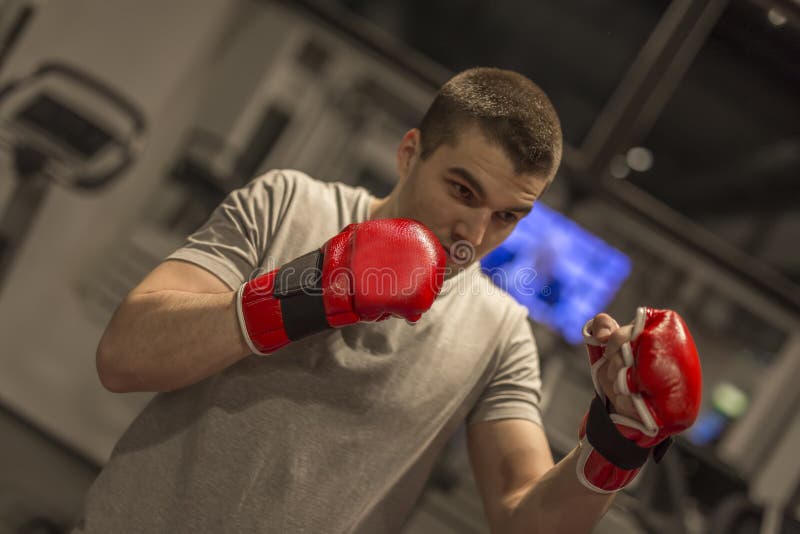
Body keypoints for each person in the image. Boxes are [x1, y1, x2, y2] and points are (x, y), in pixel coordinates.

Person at [74, 67, 701, 533]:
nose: (474, 236)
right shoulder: (290, 204)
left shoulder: (499, 331)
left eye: (507, 216)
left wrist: (618, 442)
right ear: (409, 154)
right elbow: (123, 356)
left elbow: (525, 518)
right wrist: (311, 293)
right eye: (461, 190)